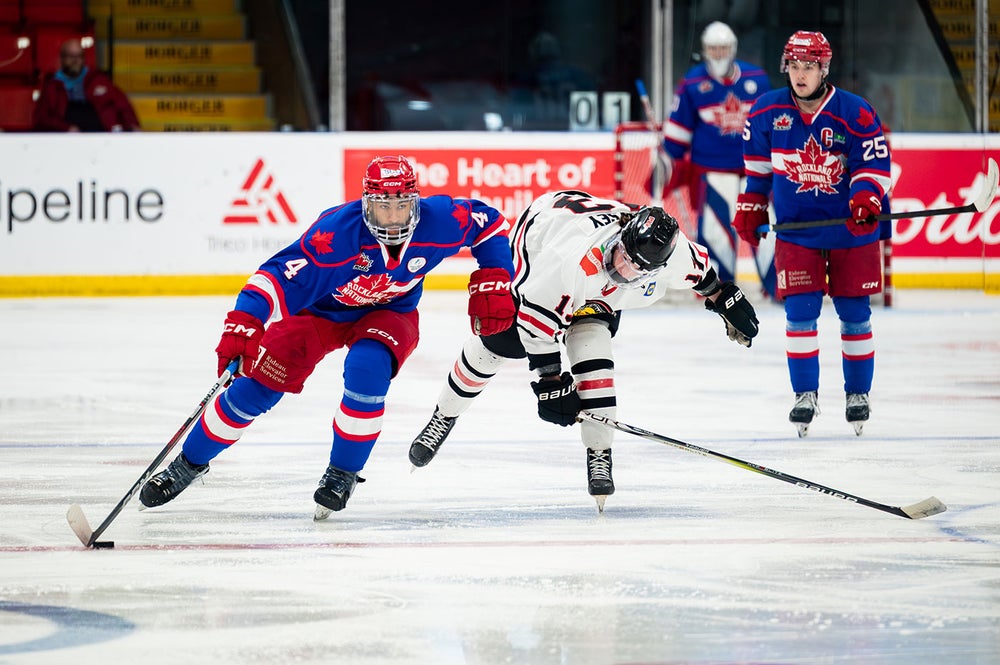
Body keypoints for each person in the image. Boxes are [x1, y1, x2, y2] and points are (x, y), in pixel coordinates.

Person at [138, 156, 516, 519]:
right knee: (256, 389)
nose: (394, 216)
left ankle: (342, 474)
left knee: (367, 369)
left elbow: (491, 223)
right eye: (384, 206)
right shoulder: (335, 234)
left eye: (402, 205)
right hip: (317, 312)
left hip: (389, 312)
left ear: (414, 201)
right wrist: (243, 322)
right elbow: (273, 276)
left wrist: (495, 274)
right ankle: (188, 463)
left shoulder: (440, 221)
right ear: (367, 204)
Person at [407, 190, 759, 511]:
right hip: (540, 241)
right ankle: (444, 416)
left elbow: (703, 274)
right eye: (622, 256)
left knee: (595, 360)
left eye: (636, 268)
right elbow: (535, 327)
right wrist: (550, 382)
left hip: (583, 275)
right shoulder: (566, 264)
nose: (622, 269)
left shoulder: (674, 254)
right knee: (496, 343)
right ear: (621, 236)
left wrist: (724, 298)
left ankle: (600, 454)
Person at [733, 31, 891, 438]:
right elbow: (759, 173)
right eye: (795, 66)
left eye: (810, 66)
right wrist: (751, 206)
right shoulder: (766, 112)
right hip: (796, 232)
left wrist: (865, 198)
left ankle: (858, 394)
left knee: (855, 317)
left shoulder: (855, 113)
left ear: (824, 68)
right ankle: (805, 394)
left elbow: (872, 167)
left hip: (849, 231)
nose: (801, 75)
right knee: (799, 315)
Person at [662, 21, 775, 298]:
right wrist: (669, 151)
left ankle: (777, 285)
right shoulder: (692, 83)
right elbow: (678, 132)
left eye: (723, 48)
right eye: (713, 48)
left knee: (767, 227)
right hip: (713, 171)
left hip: (755, 171)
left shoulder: (757, 79)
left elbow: (773, 124)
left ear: (733, 49)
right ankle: (718, 289)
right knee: (715, 232)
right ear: (704, 50)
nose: (718, 54)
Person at [32, 38, 141, 132]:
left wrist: (132, 125)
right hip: (67, 140)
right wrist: (66, 128)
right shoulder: (52, 86)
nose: (75, 60)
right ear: (62, 59)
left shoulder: (99, 80)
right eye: (71, 56)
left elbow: (123, 106)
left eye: (79, 56)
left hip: (103, 136)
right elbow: (42, 119)